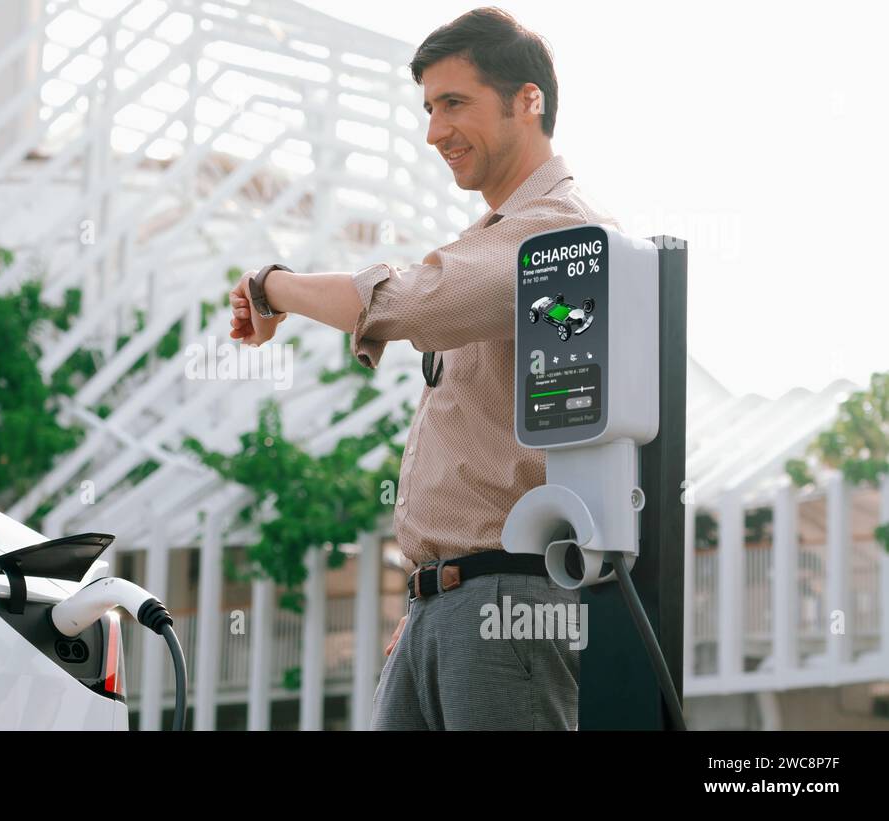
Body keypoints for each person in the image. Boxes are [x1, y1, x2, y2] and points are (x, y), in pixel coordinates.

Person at [228, 7, 620, 730]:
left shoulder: (559, 230)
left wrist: (271, 284)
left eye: (455, 103)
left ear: (528, 100)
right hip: (448, 603)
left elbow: (408, 301)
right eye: (429, 108)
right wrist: (433, 597)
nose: (435, 130)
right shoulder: (494, 239)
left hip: (509, 600)